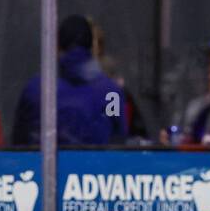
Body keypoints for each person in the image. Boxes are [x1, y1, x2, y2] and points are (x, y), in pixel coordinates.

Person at [13, 14, 126, 146]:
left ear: (57, 47)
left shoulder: (36, 90)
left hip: (45, 166)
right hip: (97, 166)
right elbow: (118, 141)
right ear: (92, 47)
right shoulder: (111, 93)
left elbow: (20, 144)